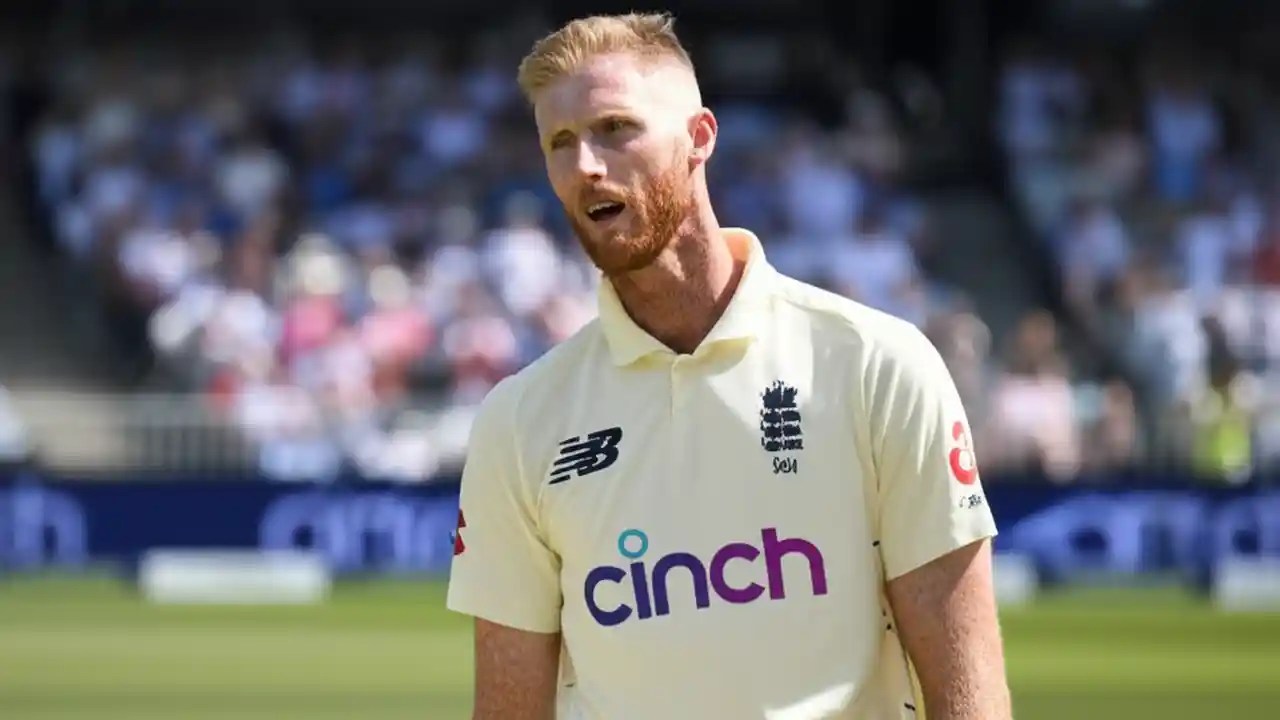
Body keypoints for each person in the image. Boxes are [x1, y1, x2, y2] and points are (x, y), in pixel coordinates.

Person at [446, 12, 1011, 720]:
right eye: (560, 142)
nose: (586, 163)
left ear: (699, 138)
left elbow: (969, 698)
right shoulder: (520, 420)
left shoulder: (876, 365)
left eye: (615, 128)